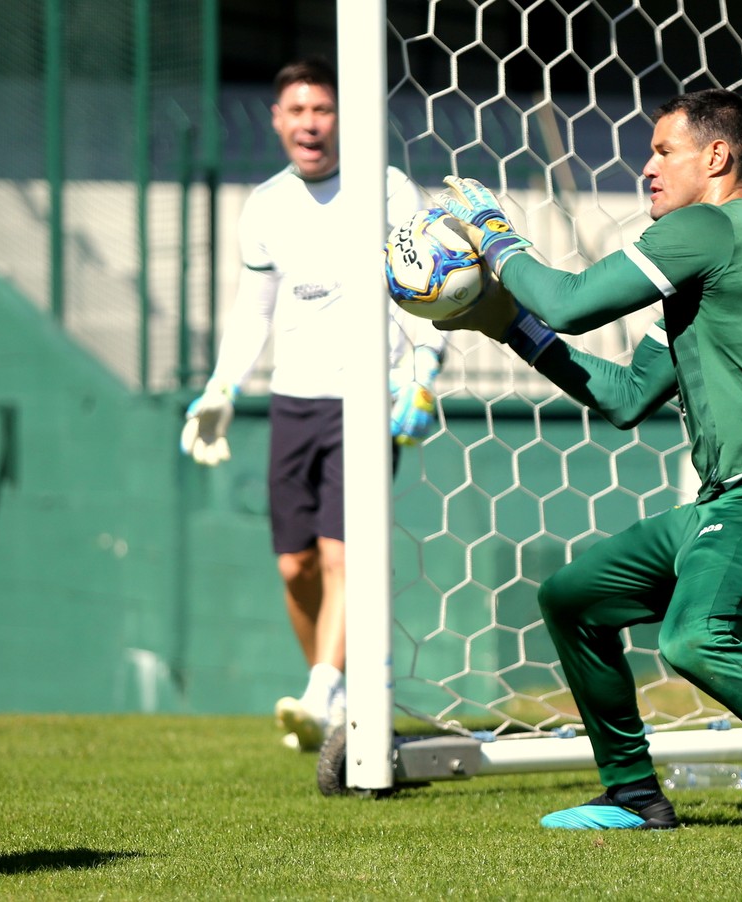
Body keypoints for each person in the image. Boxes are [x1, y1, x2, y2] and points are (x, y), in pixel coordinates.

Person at [436, 88, 742, 857]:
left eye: (663, 151)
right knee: (572, 599)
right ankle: (633, 795)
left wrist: (498, 240)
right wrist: (505, 323)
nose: (647, 166)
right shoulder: (705, 277)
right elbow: (626, 397)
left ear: (717, 157)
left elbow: (569, 302)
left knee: (696, 639)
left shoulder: (715, 227)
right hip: (729, 502)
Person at [181, 57, 446, 752]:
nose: (309, 123)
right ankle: (328, 695)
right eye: (296, 110)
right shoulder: (265, 204)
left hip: (368, 396)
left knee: (341, 554)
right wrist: (221, 387)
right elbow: (254, 308)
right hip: (293, 401)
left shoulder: (385, 189)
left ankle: (324, 689)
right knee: (294, 564)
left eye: (322, 109)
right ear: (276, 120)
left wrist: (424, 370)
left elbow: (424, 287)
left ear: (342, 118)